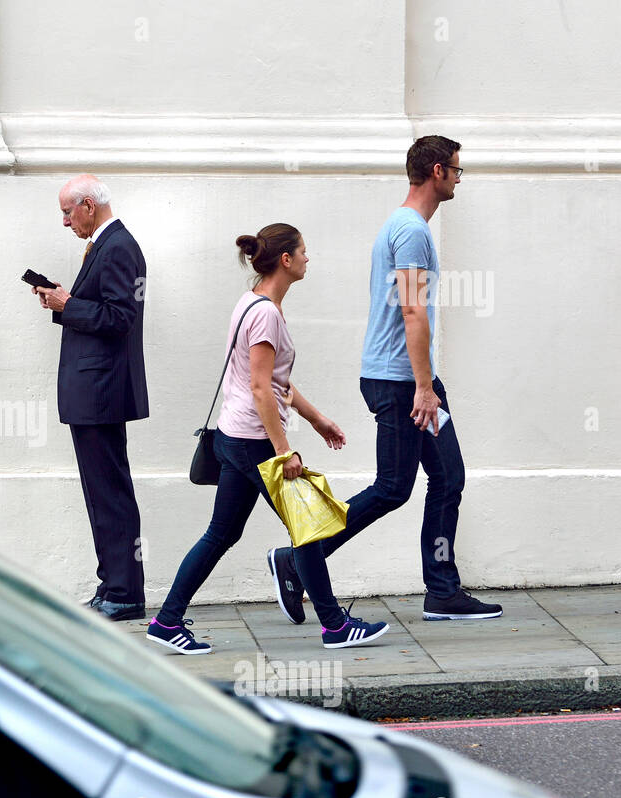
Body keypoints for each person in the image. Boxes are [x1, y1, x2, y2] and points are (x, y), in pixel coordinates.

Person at [267, 137, 502, 623]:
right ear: (437, 171)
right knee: (393, 487)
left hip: (408, 379)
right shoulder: (412, 231)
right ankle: (298, 558)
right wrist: (423, 388)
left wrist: (426, 383)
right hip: (402, 383)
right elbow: (413, 310)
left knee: (447, 476)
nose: (459, 179)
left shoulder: (401, 226)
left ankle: (441, 590)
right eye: (457, 171)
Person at [147, 225, 391, 653]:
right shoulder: (266, 314)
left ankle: (167, 621)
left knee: (221, 533)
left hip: (233, 436)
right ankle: (334, 625)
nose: (307, 259)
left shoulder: (253, 304)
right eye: (303, 251)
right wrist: (284, 452)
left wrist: (316, 420)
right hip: (255, 442)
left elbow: (276, 383)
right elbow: (261, 388)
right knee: (309, 531)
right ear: (285, 260)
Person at [33, 175, 149, 621]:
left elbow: (121, 317)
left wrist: (68, 304)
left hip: (101, 392)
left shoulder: (118, 246)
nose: (65, 222)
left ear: (87, 205)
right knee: (101, 493)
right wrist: (64, 302)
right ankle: (113, 586)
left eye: (67, 212)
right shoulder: (108, 244)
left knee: (110, 493)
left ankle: (124, 592)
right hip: (93, 392)